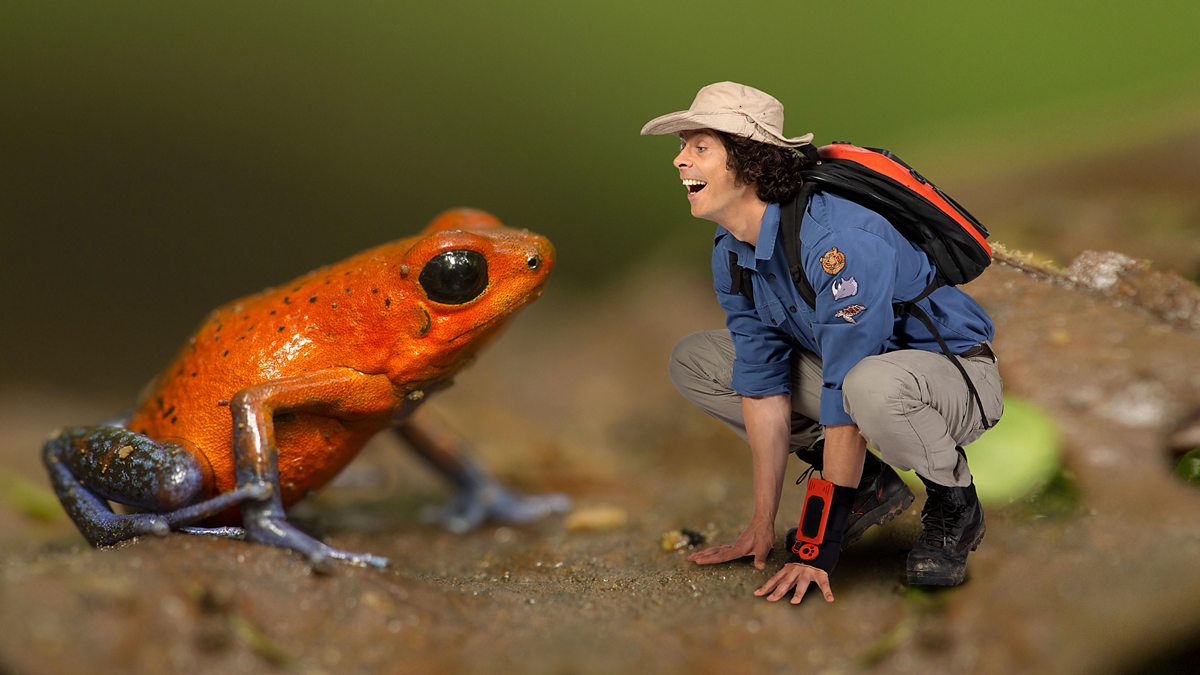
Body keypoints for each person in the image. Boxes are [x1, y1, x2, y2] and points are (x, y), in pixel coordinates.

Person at [641, 82, 1003, 604]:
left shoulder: (839, 240)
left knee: (866, 385)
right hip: (860, 381)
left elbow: (843, 399)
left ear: (750, 163)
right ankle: (871, 488)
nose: (679, 161)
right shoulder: (732, 247)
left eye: (700, 148)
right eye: (682, 147)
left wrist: (815, 549)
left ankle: (954, 504)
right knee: (700, 361)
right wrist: (761, 525)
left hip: (954, 379)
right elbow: (762, 385)